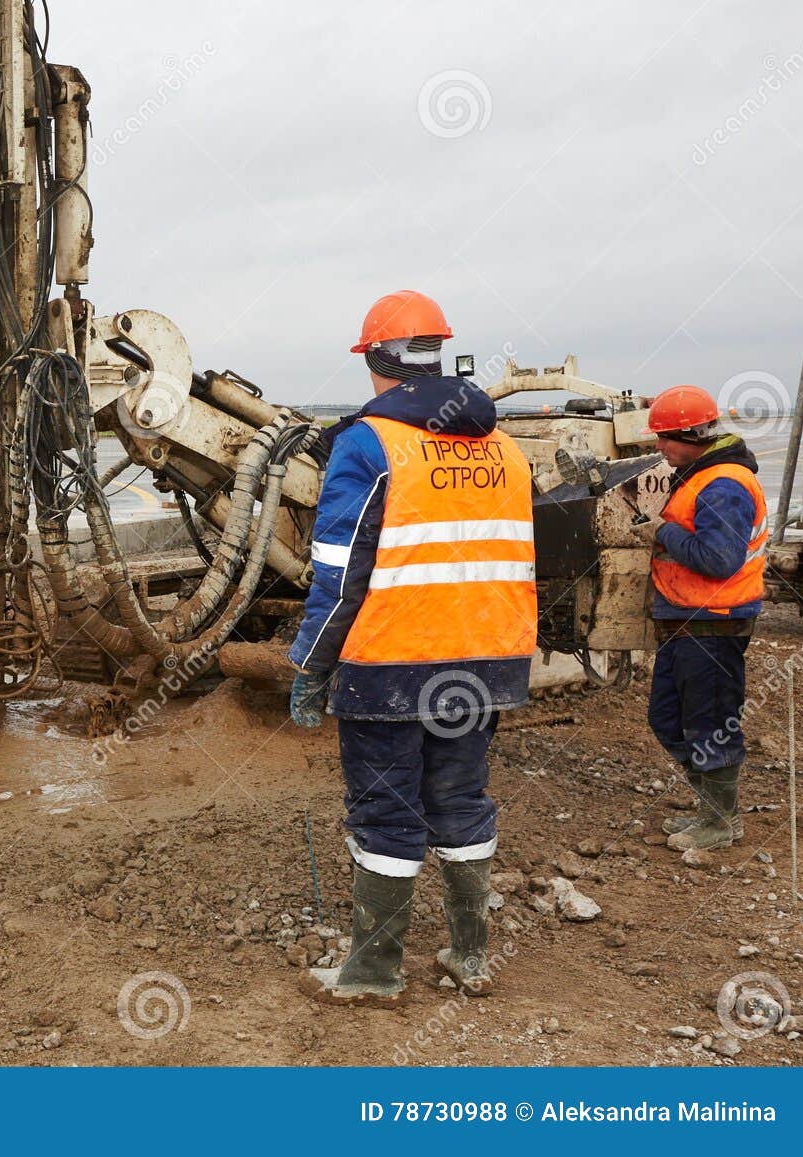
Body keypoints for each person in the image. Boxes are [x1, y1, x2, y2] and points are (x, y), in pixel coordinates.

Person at [287, 290, 537, 1004]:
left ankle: (374, 972)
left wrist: (310, 665)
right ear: (438, 356)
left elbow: (339, 577)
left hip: (392, 663)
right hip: (484, 660)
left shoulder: (369, 446)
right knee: (460, 798)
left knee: (386, 809)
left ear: (375, 360)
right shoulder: (504, 447)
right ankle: (469, 957)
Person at [646, 385, 767, 852]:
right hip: (687, 619)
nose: (659, 448)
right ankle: (713, 806)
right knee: (667, 718)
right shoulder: (701, 474)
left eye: (665, 439)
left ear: (692, 435)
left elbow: (718, 559)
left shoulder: (724, 484)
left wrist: (664, 532)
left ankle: (720, 820)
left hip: (714, 621)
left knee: (710, 721)